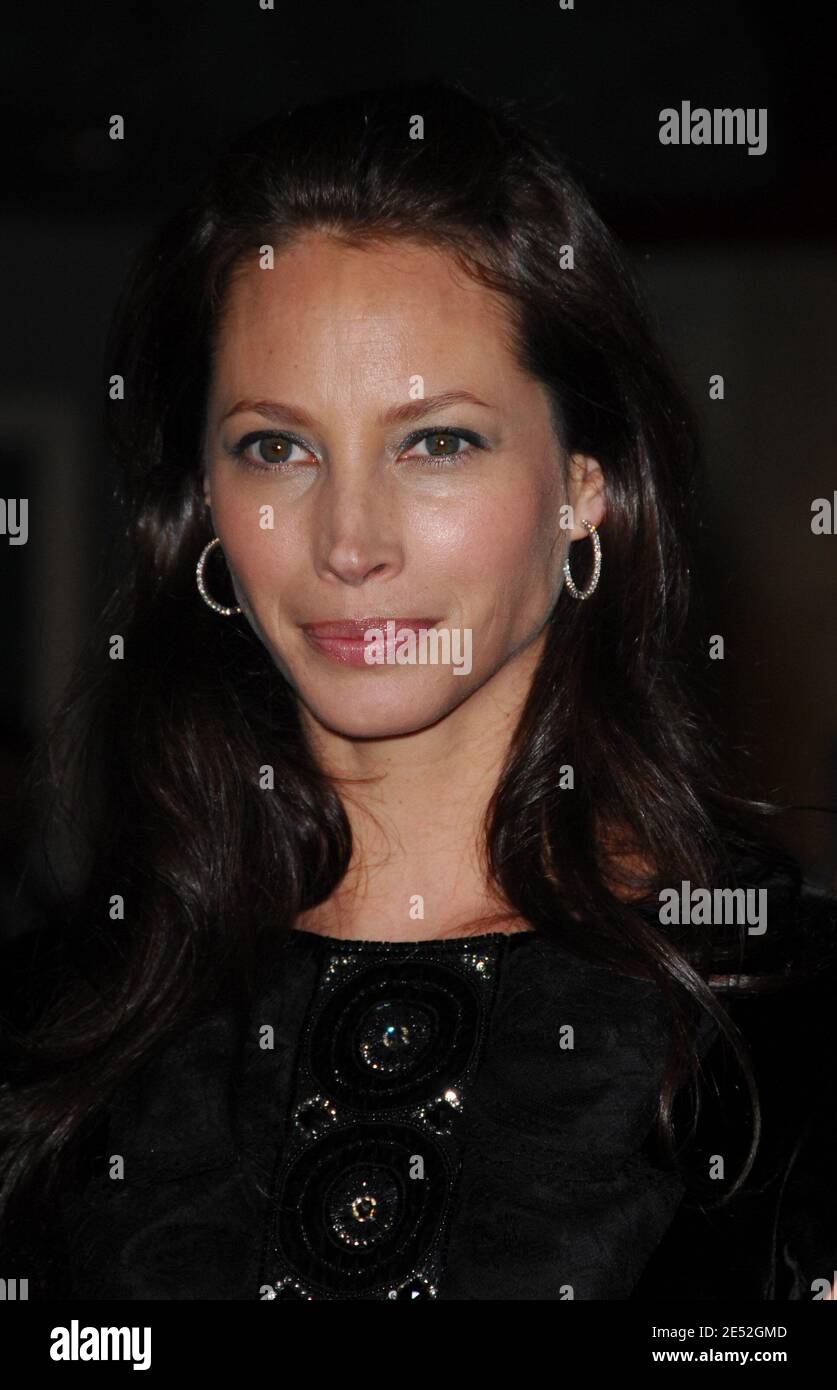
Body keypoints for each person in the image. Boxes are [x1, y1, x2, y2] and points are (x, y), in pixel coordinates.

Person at [0, 80, 834, 1301]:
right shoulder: (53, 1024)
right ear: (209, 513)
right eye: (276, 446)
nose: (349, 541)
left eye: (437, 441)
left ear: (585, 486)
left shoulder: (790, 1030)